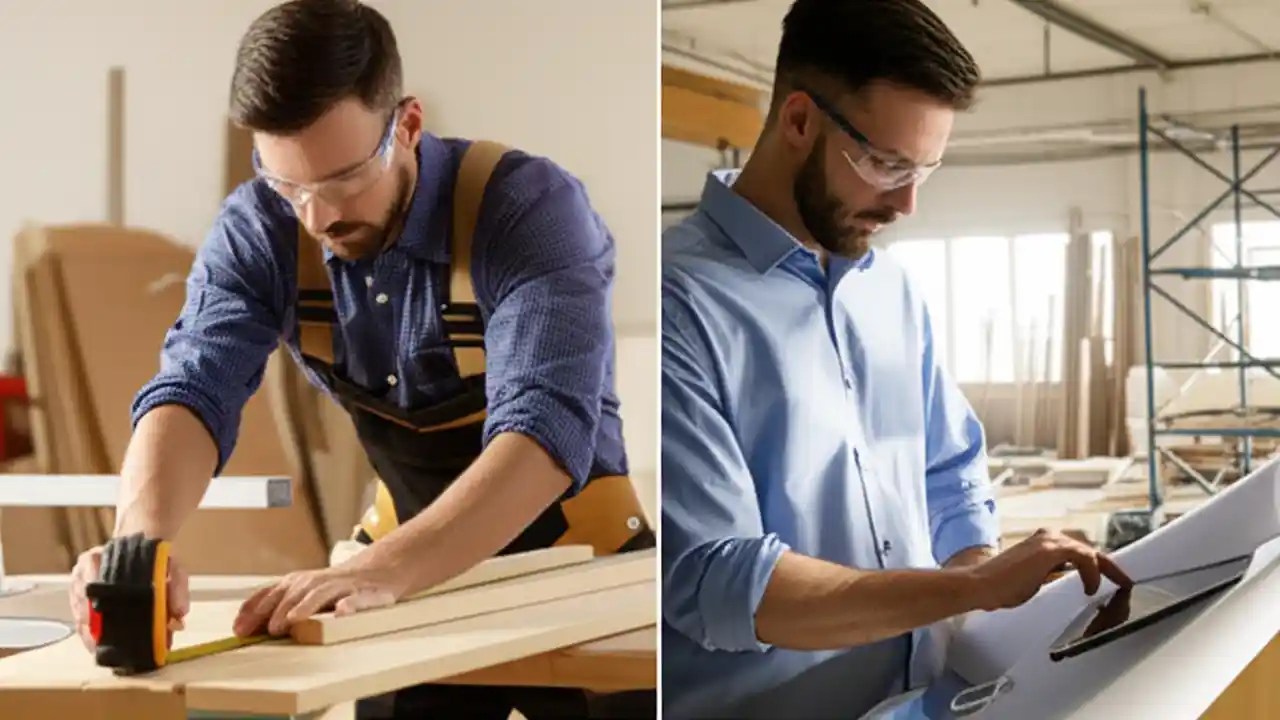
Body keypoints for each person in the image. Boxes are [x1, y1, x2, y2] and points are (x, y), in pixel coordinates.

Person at [66, 0, 654, 717]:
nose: (317, 217)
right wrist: (137, 550)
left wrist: (385, 571)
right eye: (288, 185)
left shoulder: (526, 209)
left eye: (344, 180)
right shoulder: (261, 231)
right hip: (401, 559)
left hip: (576, 556)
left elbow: (544, 434)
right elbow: (194, 388)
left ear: (406, 125)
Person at [659, 1, 1132, 717]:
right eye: (886, 165)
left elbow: (950, 474)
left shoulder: (893, 293)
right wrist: (972, 589)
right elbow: (722, 582)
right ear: (798, 122)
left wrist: (987, 583)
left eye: (927, 171)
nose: (908, 203)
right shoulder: (679, 303)